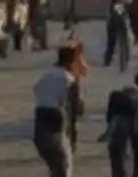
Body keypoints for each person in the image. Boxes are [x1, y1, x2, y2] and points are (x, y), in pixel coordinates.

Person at [33, 46, 84, 177]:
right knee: (64, 167)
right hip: (55, 120)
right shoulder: (68, 80)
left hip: (39, 123)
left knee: (55, 167)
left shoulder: (45, 76)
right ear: (71, 62)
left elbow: (37, 91)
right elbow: (78, 109)